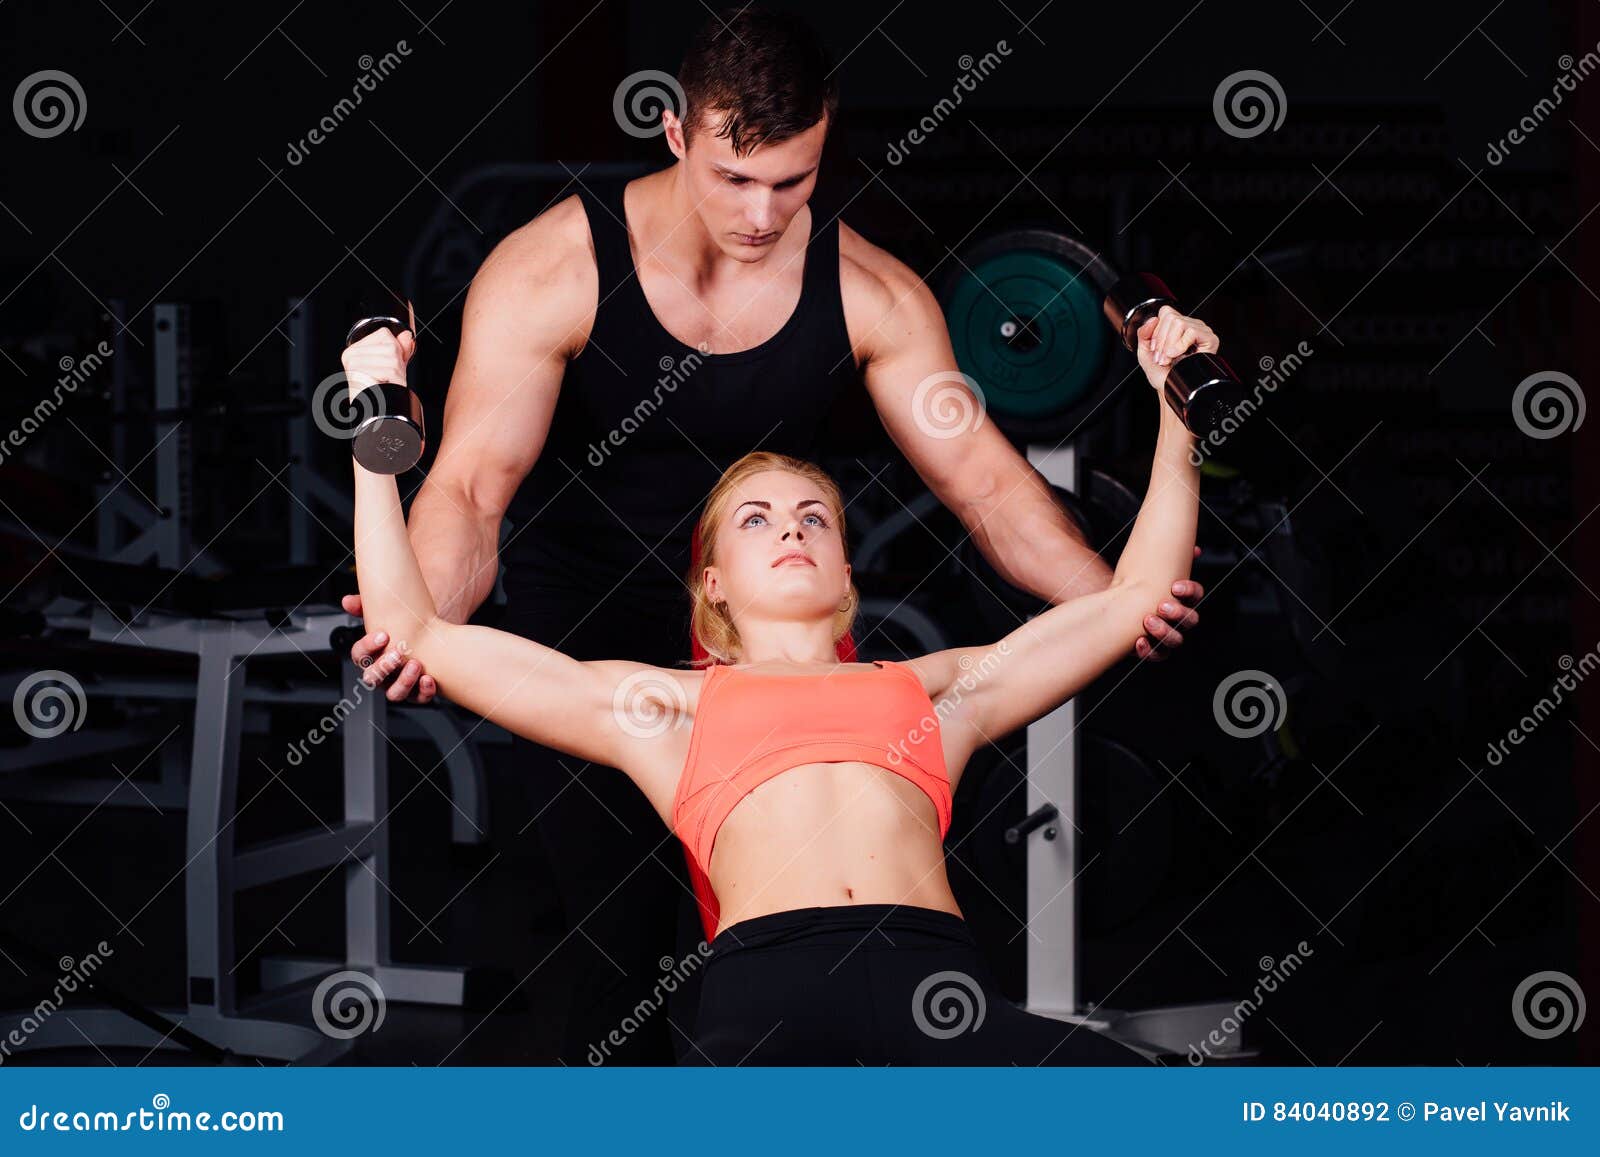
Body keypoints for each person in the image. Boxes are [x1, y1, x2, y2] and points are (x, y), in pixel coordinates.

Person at [340, 5, 1207, 1064]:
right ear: (674, 134)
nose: (760, 212)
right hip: (584, 631)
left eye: (790, 182)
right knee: (607, 952)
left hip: (766, 634)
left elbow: (983, 483)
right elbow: (472, 485)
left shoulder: (869, 290)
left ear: (824, 144)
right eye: (733, 178)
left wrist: (1112, 602)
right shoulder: (550, 269)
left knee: (860, 896)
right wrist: (421, 616)